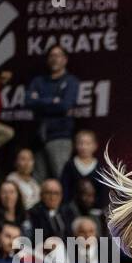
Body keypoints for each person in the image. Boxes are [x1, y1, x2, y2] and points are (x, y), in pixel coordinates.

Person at [25, 45, 79, 178]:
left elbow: (64, 106)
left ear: (65, 59)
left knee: (60, 176)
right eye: (51, 56)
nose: (54, 59)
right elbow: (29, 102)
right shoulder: (38, 81)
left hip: (60, 136)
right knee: (38, 178)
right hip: (39, 137)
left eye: (58, 55)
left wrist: (40, 101)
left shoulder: (71, 81)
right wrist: (53, 100)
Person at [61, 129, 108, 205]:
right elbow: (65, 189)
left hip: (95, 209)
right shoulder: (69, 166)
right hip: (72, 208)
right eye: (80, 143)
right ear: (75, 145)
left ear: (95, 146)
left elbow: (103, 192)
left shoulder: (100, 167)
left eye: (88, 143)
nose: (84, 147)